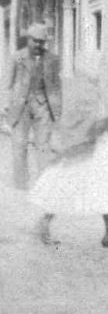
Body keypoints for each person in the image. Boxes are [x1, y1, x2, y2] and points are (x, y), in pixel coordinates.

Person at [29, 65, 108, 248]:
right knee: (67, 183)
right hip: (86, 147)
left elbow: (102, 118)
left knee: (105, 186)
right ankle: (43, 224)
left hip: (97, 146)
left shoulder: (94, 90)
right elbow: (91, 120)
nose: (99, 74)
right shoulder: (85, 92)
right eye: (96, 69)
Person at [4, 23, 61, 190]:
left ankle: (43, 184)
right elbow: (7, 83)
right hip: (20, 108)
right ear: (28, 39)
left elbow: (57, 86)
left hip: (43, 106)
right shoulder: (17, 57)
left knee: (43, 146)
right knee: (19, 145)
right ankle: (21, 184)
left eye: (42, 42)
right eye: (35, 41)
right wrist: (5, 105)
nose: (38, 45)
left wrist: (57, 110)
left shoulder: (53, 59)